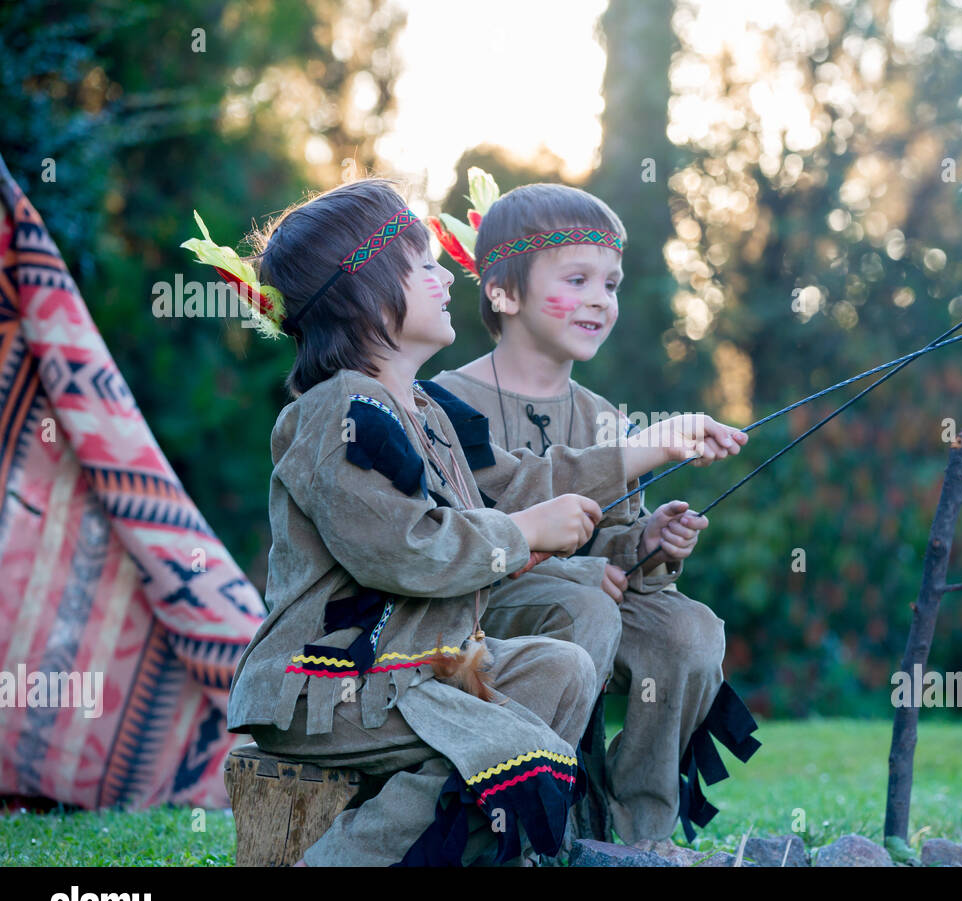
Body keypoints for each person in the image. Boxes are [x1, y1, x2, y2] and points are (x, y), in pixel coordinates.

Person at [183, 177, 745, 865]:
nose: (448, 275)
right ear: (366, 293)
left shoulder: (423, 413)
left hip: (421, 666)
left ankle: (499, 835)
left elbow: (516, 486)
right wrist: (530, 533)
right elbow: (407, 551)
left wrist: (641, 487)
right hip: (335, 682)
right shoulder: (343, 411)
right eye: (423, 265)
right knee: (509, 753)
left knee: (562, 671)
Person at [431, 171, 761, 846]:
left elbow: (609, 546)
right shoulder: (443, 400)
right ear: (503, 291)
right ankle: (531, 826)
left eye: (609, 284)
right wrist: (638, 457)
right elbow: (502, 506)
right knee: (581, 605)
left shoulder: (603, 415)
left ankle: (640, 834)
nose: (599, 301)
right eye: (575, 280)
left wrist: (651, 544)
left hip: (594, 607)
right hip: (476, 614)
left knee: (688, 629)